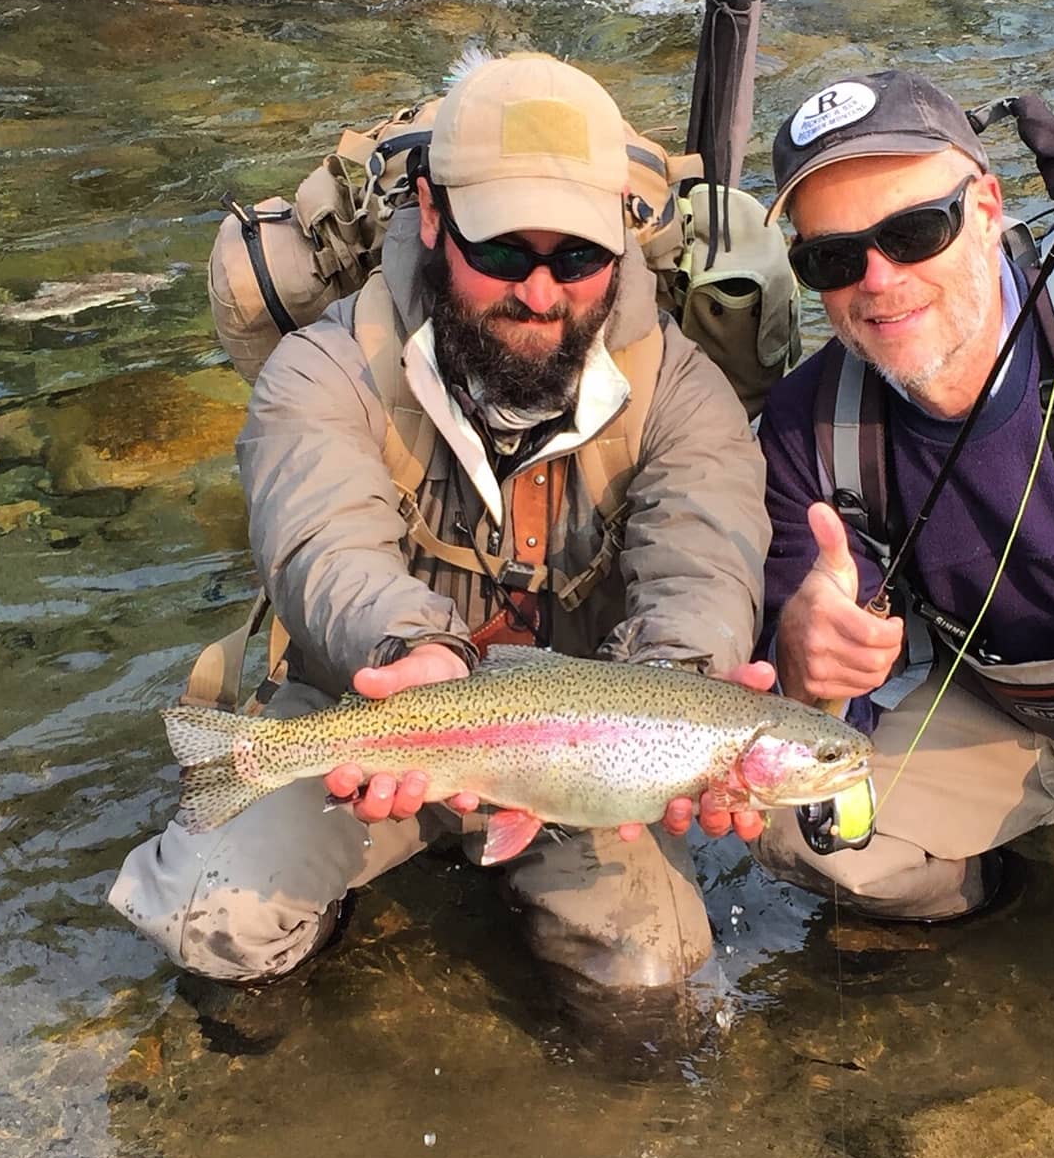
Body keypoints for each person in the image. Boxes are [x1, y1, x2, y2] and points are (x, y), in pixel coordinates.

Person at [108, 53, 772, 1032]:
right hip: (369, 713)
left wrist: (686, 690)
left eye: (577, 257)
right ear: (431, 212)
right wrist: (407, 649)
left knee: (648, 979)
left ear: (621, 248)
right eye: (504, 251)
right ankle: (323, 929)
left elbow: (701, 566)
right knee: (213, 921)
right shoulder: (322, 369)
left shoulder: (684, 397)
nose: (541, 292)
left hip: (573, 742)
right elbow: (319, 541)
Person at [747, 67, 1054, 921]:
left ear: (985, 208)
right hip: (999, 716)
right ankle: (1002, 908)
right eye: (832, 257)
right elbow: (809, 698)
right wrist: (804, 666)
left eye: (914, 231)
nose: (876, 278)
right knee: (801, 823)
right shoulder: (803, 430)